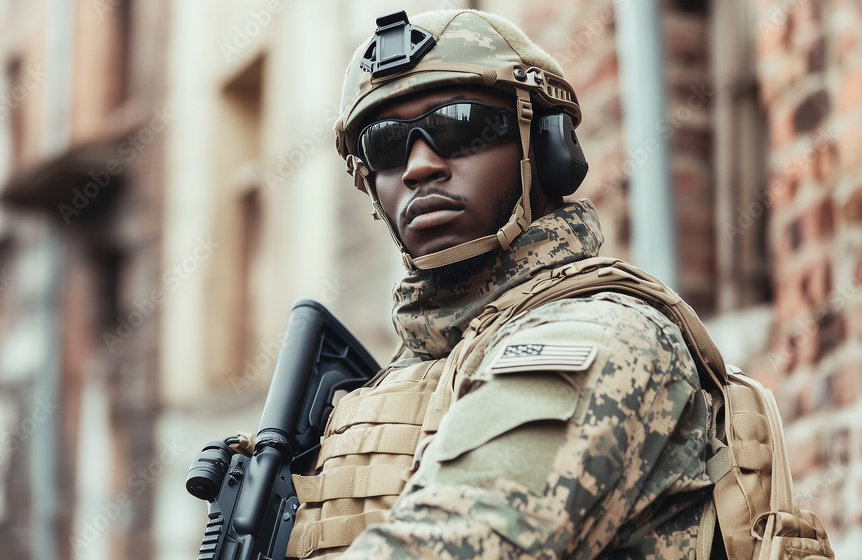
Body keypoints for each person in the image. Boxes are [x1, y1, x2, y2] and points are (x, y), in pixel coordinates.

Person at [285, 9, 715, 559]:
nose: (418, 166)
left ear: (547, 148)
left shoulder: (597, 332)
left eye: (459, 126)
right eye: (387, 146)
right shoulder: (410, 369)